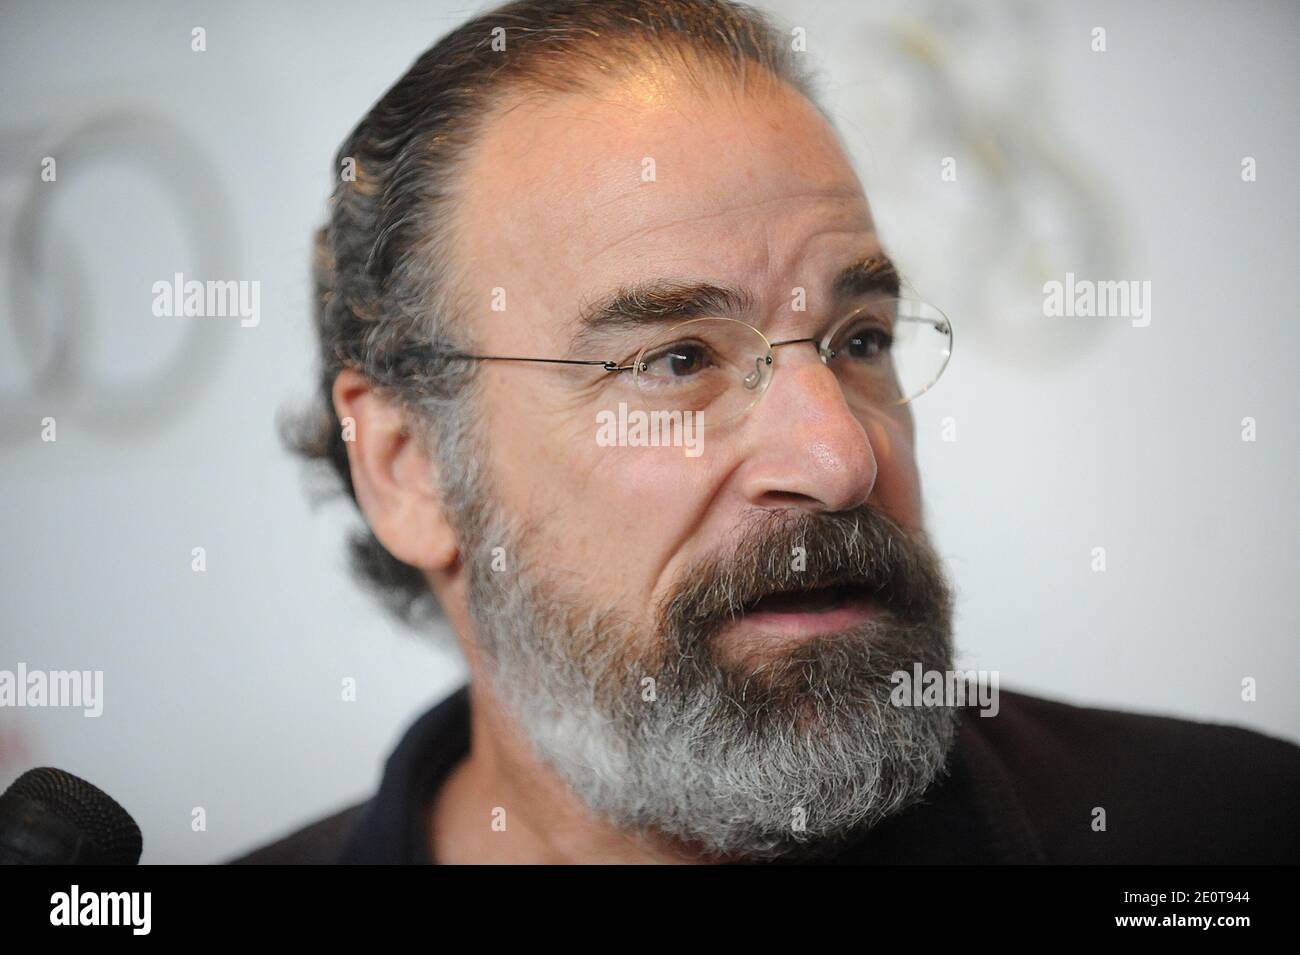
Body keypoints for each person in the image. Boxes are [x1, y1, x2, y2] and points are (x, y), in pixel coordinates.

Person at [232, 0, 1299, 864]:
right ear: (407, 468)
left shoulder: (1228, 832)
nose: (840, 460)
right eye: (678, 360)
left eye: (860, 339)